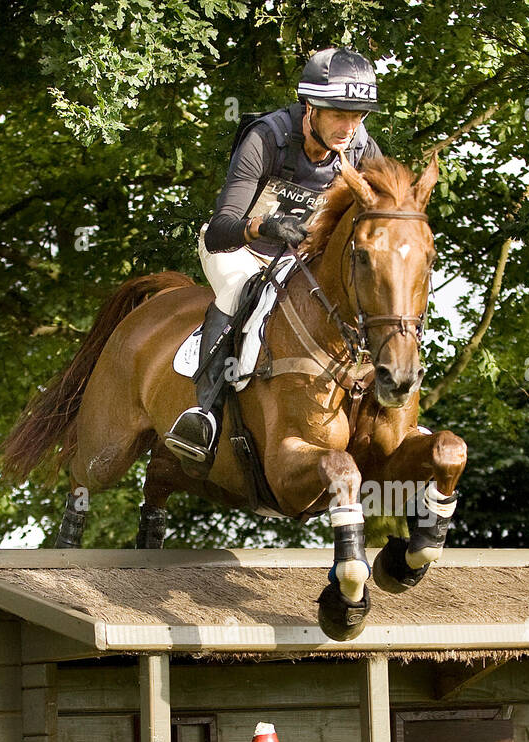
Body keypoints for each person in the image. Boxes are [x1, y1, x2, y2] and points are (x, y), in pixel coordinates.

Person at [163, 47, 385, 467]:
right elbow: (224, 226)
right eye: (339, 113)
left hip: (298, 260)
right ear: (310, 107)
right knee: (237, 290)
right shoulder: (267, 137)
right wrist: (264, 227)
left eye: (358, 116)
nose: (349, 127)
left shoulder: (360, 148)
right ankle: (204, 414)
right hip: (238, 248)